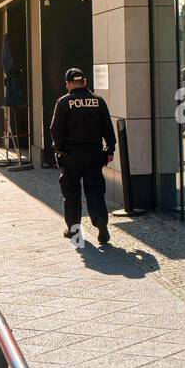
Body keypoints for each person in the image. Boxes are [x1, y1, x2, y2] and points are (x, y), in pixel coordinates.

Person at [49, 68, 116, 246]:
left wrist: (60, 150)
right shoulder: (98, 101)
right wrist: (110, 150)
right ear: (85, 82)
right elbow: (108, 128)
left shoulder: (63, 102)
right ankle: (100, 220)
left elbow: (55, 130)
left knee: (71, 193)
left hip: (71, 156)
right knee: (95, 190)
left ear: (68, 84)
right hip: (94, 154)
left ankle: (74, 231)